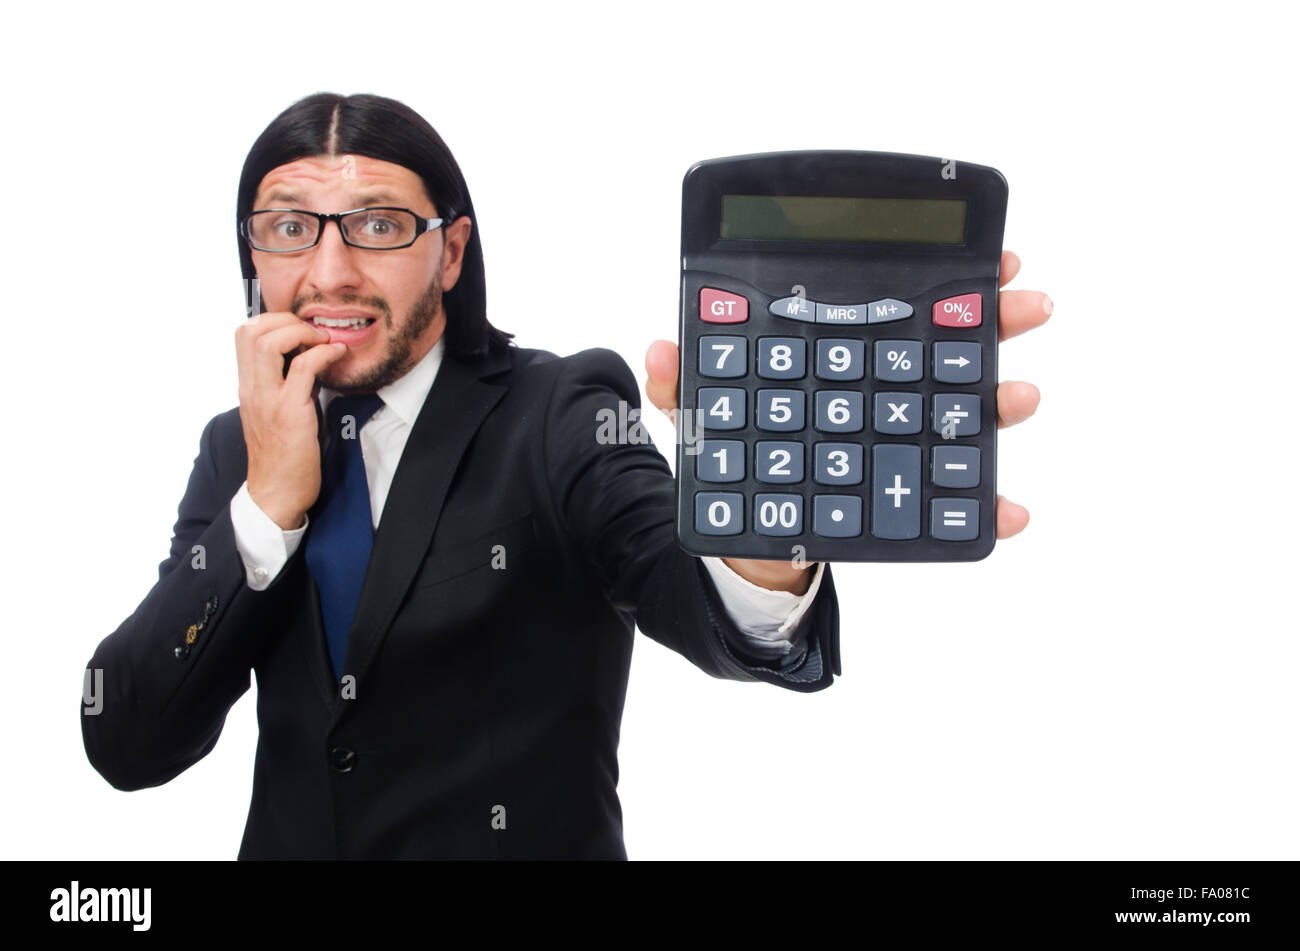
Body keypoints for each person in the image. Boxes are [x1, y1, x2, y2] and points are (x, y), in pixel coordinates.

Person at [81, 92, 1047, 860]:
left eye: (378, 225)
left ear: (451, 252)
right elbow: (128, 740)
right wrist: (267, 506)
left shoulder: (563, 409)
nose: (330, 272)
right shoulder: (238, 447)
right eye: (291, 228)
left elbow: (679, 587)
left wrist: (761, 532)